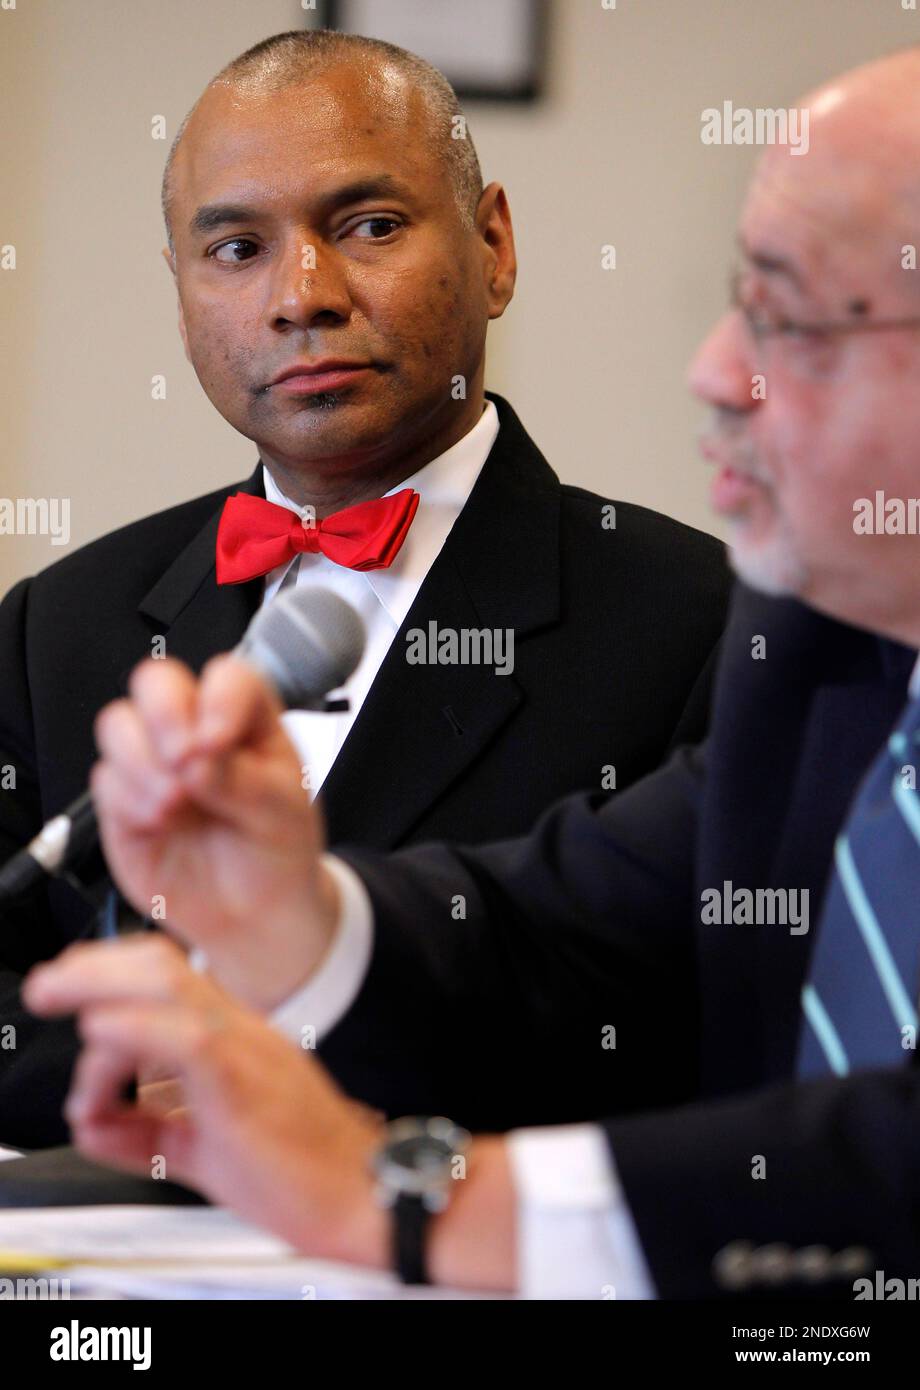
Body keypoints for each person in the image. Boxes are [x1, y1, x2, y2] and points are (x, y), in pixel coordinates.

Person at [34, 42, 920, 1300]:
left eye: (785, 314)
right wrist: (288, 914)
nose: (715, 370)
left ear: (491, 245)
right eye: (735, 303)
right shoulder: (827, 667)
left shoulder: (705, 623)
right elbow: (570, 919)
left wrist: (405, 1196)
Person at [0, 31, 730, 1149]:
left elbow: (716, 1030)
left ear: (492, 245)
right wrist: (125, 1077)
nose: (303, 296)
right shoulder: (57, 625)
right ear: (182, 291)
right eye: (236, 247)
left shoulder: (701, 620)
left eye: (369, 227)